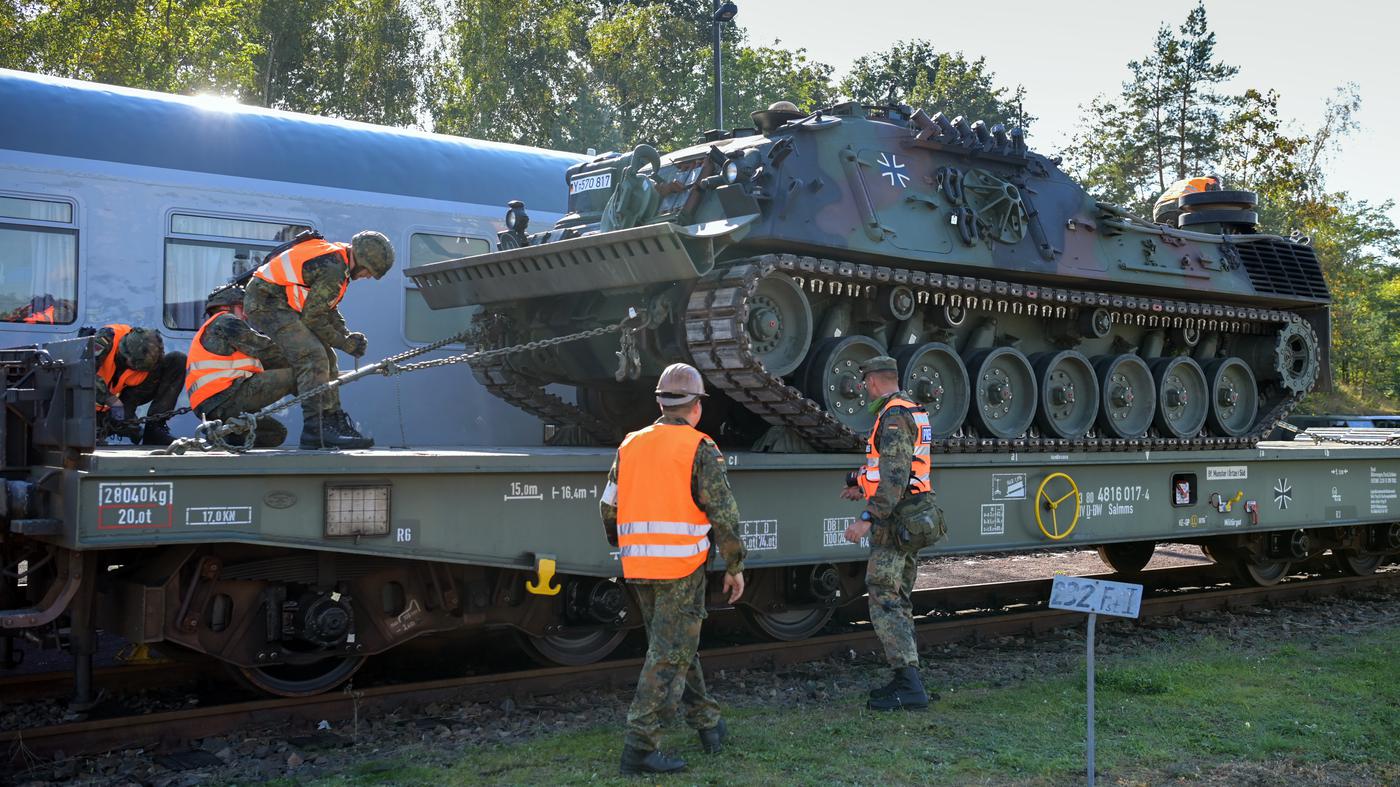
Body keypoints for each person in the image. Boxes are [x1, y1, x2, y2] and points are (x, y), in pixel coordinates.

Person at [600, 362, 747, 776]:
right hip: (680, 567)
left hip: (639, 566)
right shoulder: (700, 448)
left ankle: (708, 724)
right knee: (669, 654)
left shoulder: (630, 444)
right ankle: (640, 746)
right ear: (695, 407)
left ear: (663, 402)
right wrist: (734, 564)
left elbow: (608, 506)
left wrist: (624, 542)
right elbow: (723, 513)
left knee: (676, 646)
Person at [840, 355, 945, 711]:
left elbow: (896, 477)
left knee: (884, 595)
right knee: (898, 596)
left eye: (864, 385)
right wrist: (860, 483)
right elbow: (891, 469)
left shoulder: (894, 416)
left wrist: (867, 517)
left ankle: (908, 685)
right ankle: (909, 678)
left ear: (871, 382)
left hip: (897, 520)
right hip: (914, 515)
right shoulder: (913, 409)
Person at [243, 230, 393, 449]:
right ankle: (315, 430)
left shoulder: (339, 260)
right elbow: (314, 318)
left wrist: (346, 335)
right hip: (265, 303)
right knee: (313, 355)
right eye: (369, 271)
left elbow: (328, 309)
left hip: (278, 302)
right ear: (361, 260)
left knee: (328, 357)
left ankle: (332, 421)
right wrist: (345, 343)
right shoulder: (334, 268)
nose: (368, 276)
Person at [185, 284, 295, 448]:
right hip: (225, 399)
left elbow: (267, 358)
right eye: (241, 307)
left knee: (275, 434)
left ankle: (223, 438)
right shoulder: (226, 321)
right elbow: (266, 349)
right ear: (226, 307)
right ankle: (321, 425)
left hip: (213, 406)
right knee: (300, 374)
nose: (245, 314)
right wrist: (305, 357)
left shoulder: (212, 330)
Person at [92, 324, 186, 446]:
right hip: (90, 410)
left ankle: (154, 430)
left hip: (122, 402)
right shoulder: (105, 339)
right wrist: (111, 400)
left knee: (177, 360)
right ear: (125, 354)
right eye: (136, 366)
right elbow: (84, 372)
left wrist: (129, 419)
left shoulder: (150, 360)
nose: (139, 371)